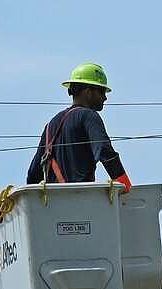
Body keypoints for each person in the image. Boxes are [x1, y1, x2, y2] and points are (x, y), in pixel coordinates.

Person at [27, 63, 131, 192]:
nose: (105, 97)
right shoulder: (88, 116)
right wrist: (125, 186)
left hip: (53, 205)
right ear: (88, 91)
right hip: (80, 201)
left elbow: (33, 175)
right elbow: (104, 151)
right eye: (102, 92)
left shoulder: (50, 126)